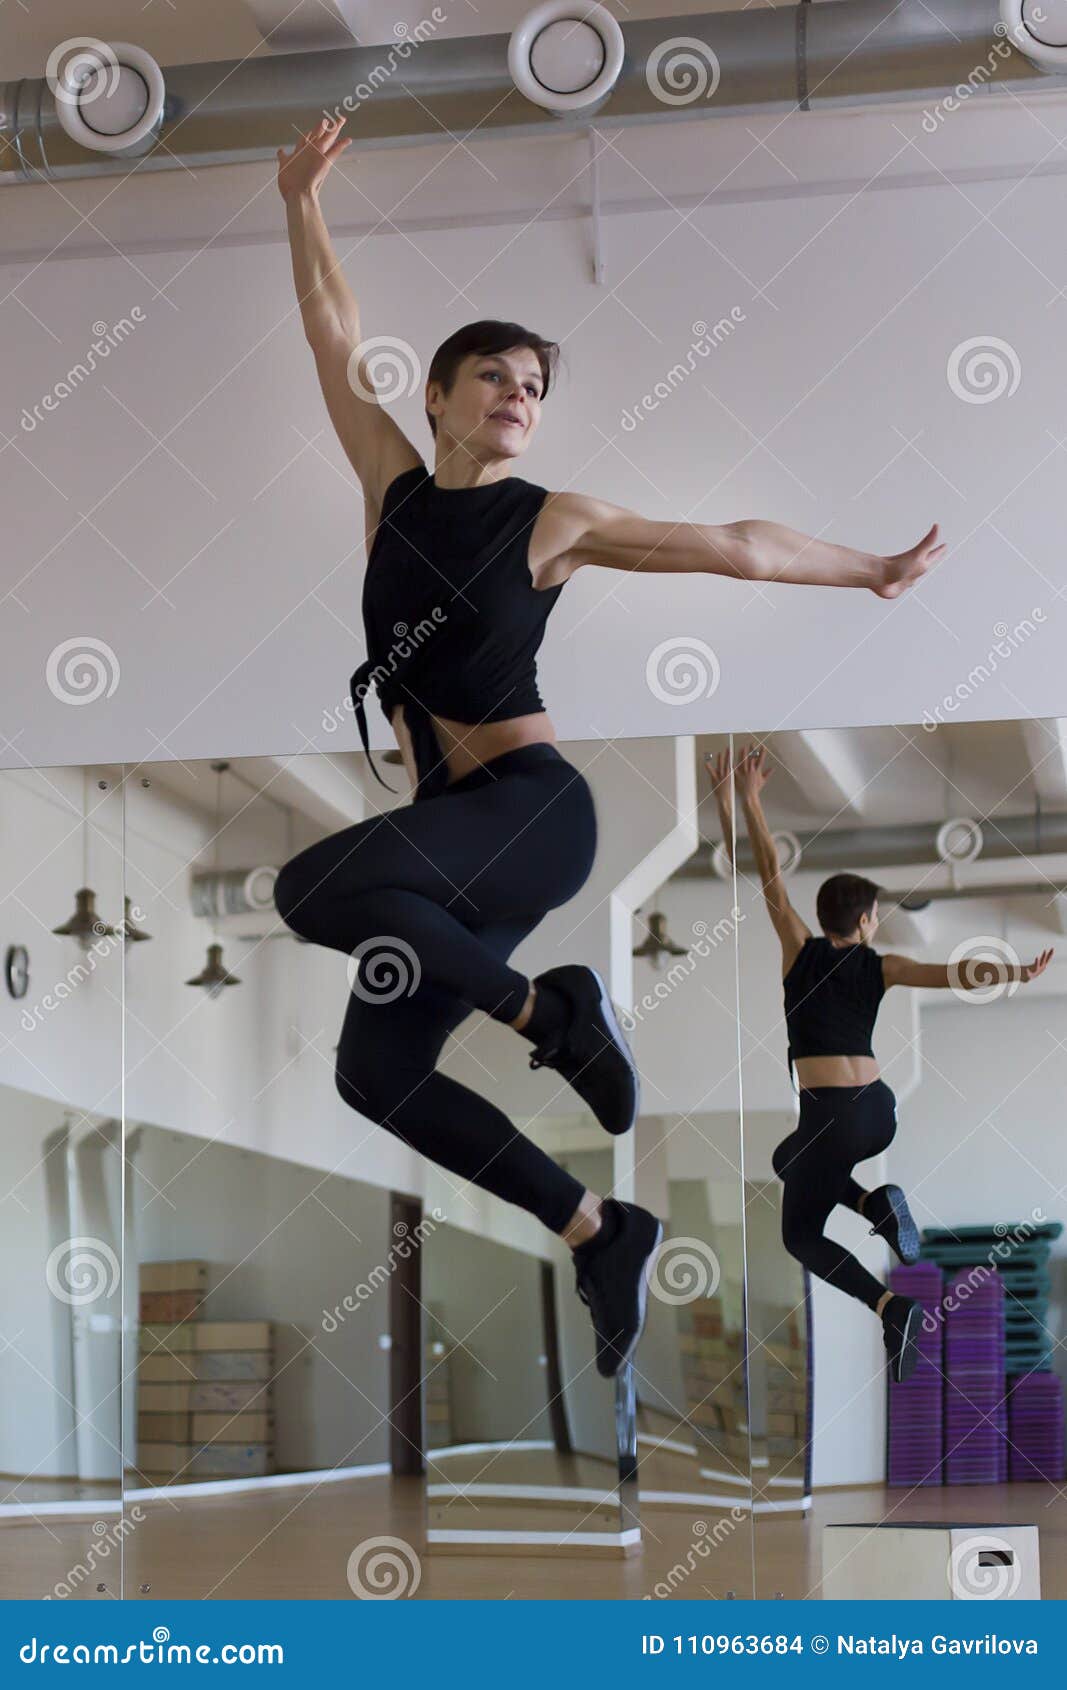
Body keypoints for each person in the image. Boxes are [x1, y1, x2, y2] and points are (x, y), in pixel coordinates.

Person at [271, 114, 947, 1380]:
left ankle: (551, 1005)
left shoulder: (553, 520)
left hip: (530, 815)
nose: (518, 400)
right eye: (494, 380)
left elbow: (732, 543)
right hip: (459, 852)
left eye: (533, 388)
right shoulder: (392, 488)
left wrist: (866, 572)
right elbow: (328, 330)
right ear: (436, 395)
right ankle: (597, 1226)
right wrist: (298, 198)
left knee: (307, 887)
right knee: (375, 1072)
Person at [709, 743, 1052, 1383]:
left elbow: (765, 875)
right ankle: (873, 1206)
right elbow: (952, 973)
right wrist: (1014, 969)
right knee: (786, 1160)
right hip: (876, 1110)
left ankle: (890, 1303)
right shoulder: (880, 964)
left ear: (822, 918)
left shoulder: (797, 950)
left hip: (832, 1119)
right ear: (867, 921)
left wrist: (748, 800)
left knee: (800, 1238)